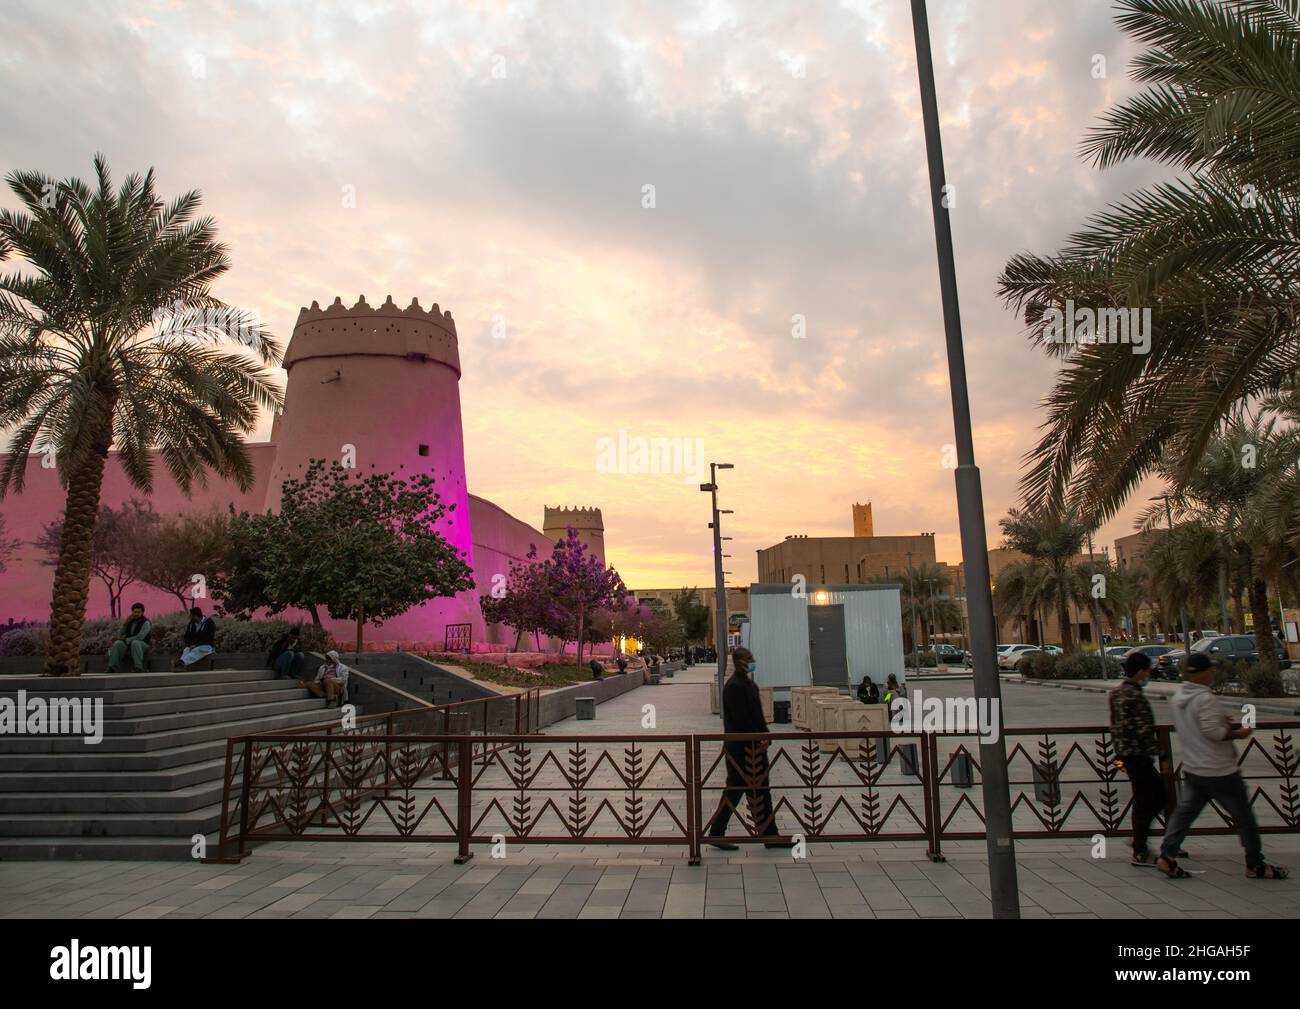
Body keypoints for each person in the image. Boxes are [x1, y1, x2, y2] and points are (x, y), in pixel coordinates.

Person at [1157, 652, 1288, 880]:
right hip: (1219, 770)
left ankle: (1167, 855)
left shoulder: (1178, 698)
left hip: (1194, 767)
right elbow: (1213, 732)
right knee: (1244, 817)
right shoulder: (1204, 699)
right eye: (1210, 669)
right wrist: (1239, 733)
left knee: (1185, 814)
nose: (1212, 673)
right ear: (1201, 674)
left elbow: (1200, 726)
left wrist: (1219, 722)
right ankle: (1255, 863)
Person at [706, 646, 793, 851]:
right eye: (749, 659)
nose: (752, 661)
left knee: (759, 790)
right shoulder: (734, 687)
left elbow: (758, 715)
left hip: (755, 746)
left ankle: (769, 835)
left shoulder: (748, 684)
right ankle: (718, 833)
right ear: (739, 662)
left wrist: (765, 736)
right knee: (737, 790)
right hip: (741, 749)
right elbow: (741, 719)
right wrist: (757, 737)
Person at [1109, 652, 1167, 866]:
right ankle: (1140, 848)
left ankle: (1139, 842)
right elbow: (1143, 730)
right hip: (1137, 755)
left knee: (1144, 799)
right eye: (1148, 670)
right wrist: (1160, 752)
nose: (1149, 674)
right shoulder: (1134, 695)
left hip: (1123, 755)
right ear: (1141, 671)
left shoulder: (1116, 693)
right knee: (1156, 797)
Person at [105, 604, 152, 673]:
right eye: (134, 612)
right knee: (118, 643)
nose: (136, 614)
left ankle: (138, 667)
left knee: (135, 642)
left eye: (138, 612)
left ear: (142, 612)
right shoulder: (130, 621)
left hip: (143, 645)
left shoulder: (146, 623)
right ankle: (112, 667)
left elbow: (140, 637)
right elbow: (120, 633)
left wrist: (126, 640)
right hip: (130, 644)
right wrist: (125, 623)